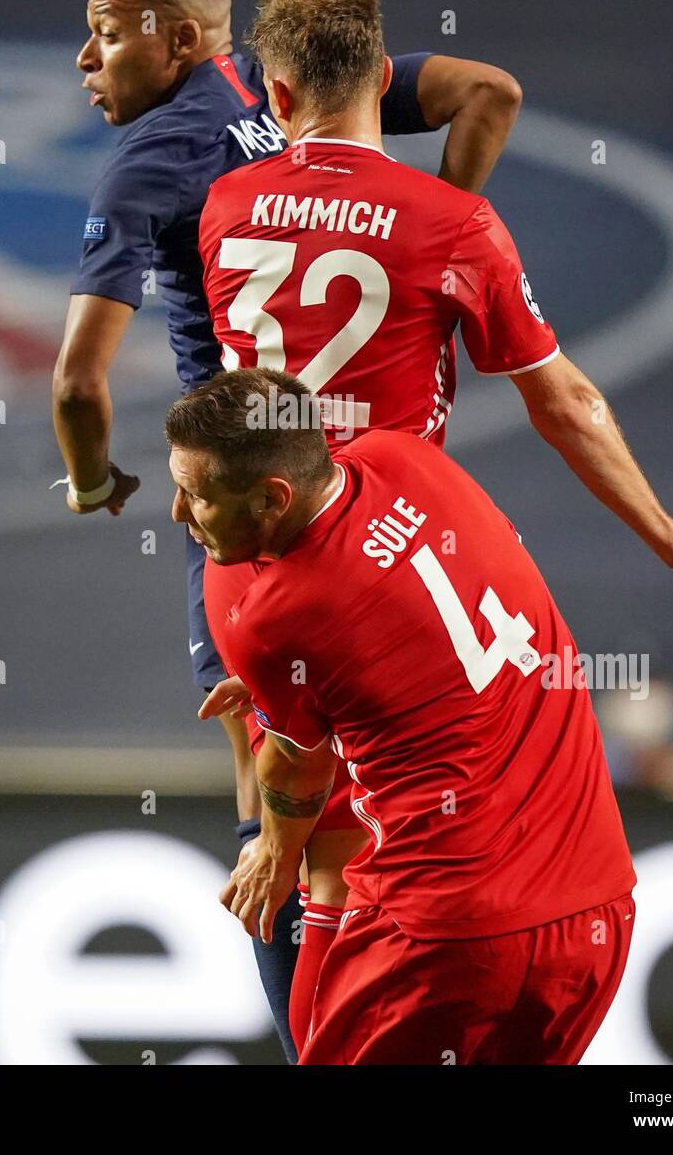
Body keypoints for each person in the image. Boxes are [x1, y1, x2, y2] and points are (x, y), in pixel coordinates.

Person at [195, 0, 673, 1051]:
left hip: (251, 545)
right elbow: (562, 398)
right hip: (390, 540)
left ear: (273, 97)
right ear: (383, 75)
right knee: (405, 818)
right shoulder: (450, 225)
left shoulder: (225, 205)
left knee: (297, 829)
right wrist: (660, 531)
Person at [50, 0, 524, 1060]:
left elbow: (76, 380)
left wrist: (90, 479)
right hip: (388, 493)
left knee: (283, 816)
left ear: (178, 41)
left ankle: (321, 1035)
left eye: (106, 33)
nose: (83, 57)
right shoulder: (264, 90)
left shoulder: (146, 164)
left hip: (257, 507)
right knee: (395, 781)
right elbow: (484, 89)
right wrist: (433, 225)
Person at [168, 367, 641, 1064]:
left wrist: (272, 847)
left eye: (197, 495)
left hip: (444, 942)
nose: (179, 513)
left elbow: (298, 772)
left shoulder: (272, 617)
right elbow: (417, 614)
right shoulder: (405, 457)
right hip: (593, 914)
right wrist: (319, 681)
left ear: (273, 497)